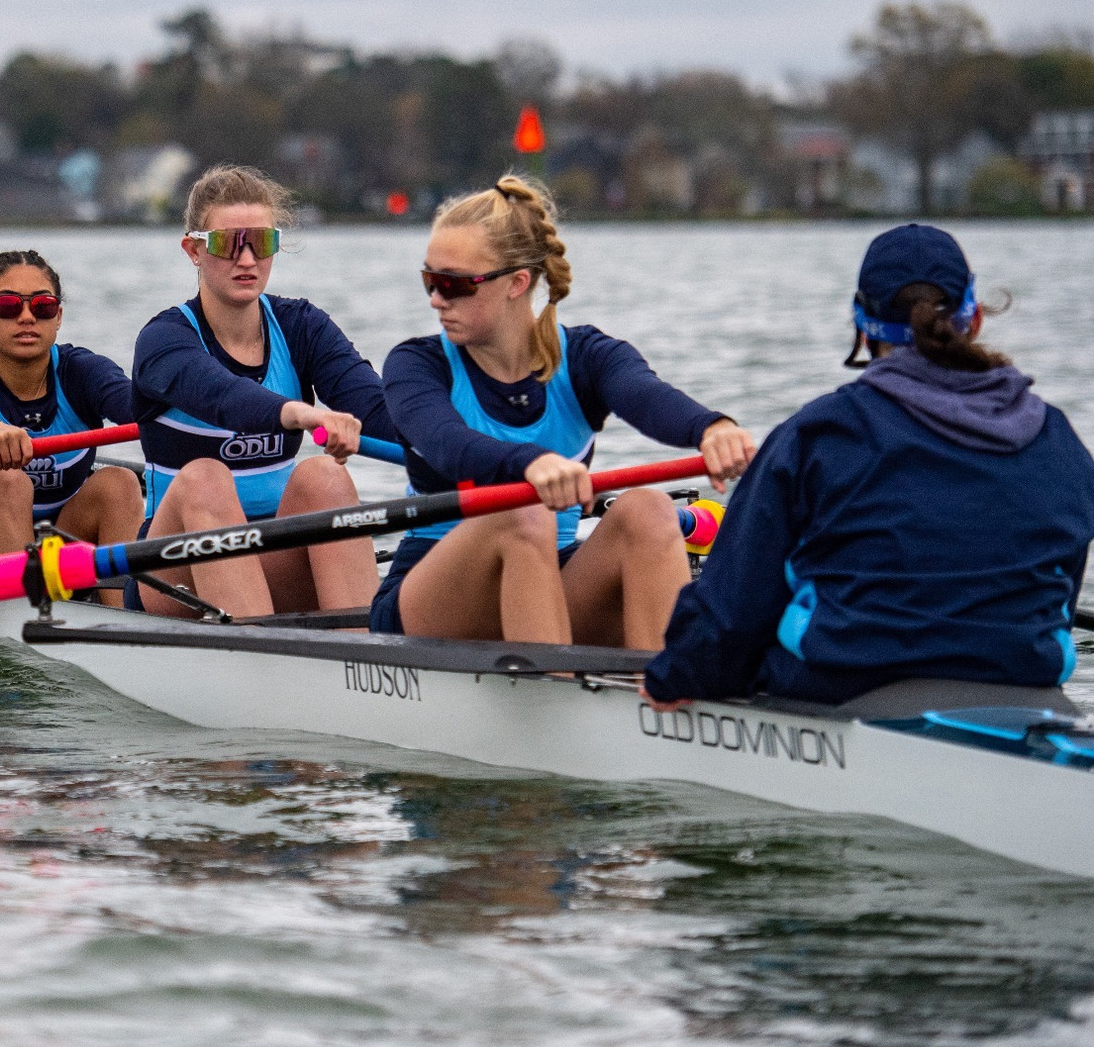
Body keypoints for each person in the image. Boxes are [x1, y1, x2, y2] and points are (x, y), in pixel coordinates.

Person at [644, 224, 1094, 707]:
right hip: (1031, 695)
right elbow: (1057, 603)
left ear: (861, 323)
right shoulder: (1059, 440)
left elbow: (731, 613)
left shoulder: (817, 437)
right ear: (976, 319)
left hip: (849, 691)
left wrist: (673, 678)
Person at [373, 175, 754, 649]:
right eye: (430, 279)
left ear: (517, 283)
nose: (436, 299)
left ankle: (668, 693)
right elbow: (446, 444)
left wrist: (712, 428)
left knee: (649, 509)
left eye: (453, 284)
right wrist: (530, 463)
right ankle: (557, 699)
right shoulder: (416, 365)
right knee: (524, 510)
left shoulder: (589, 357)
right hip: (434, 599)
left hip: (552, 581)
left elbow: (646, 395)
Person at [131, 165, 393, 619]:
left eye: (262, 242)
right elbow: (223, 396)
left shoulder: (302, 327)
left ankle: (367, 664)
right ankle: (257, 667)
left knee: (325, 477)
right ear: (193, 249)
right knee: (206, 478)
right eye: (227, 243)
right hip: (172, 572)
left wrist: (492, 453)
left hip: (271, 558)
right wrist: (299, 413)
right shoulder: (163, 341)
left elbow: (380, 412)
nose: (247, 259)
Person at [0, 250, 143, 600]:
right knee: (10, 482)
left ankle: (121, 623)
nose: (26, 316)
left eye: (42, 305)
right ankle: (18, 621)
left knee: (120, 483)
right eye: (8, 305)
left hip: (55, 543)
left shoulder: (82, 371)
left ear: (58, 316)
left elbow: (136, 407)